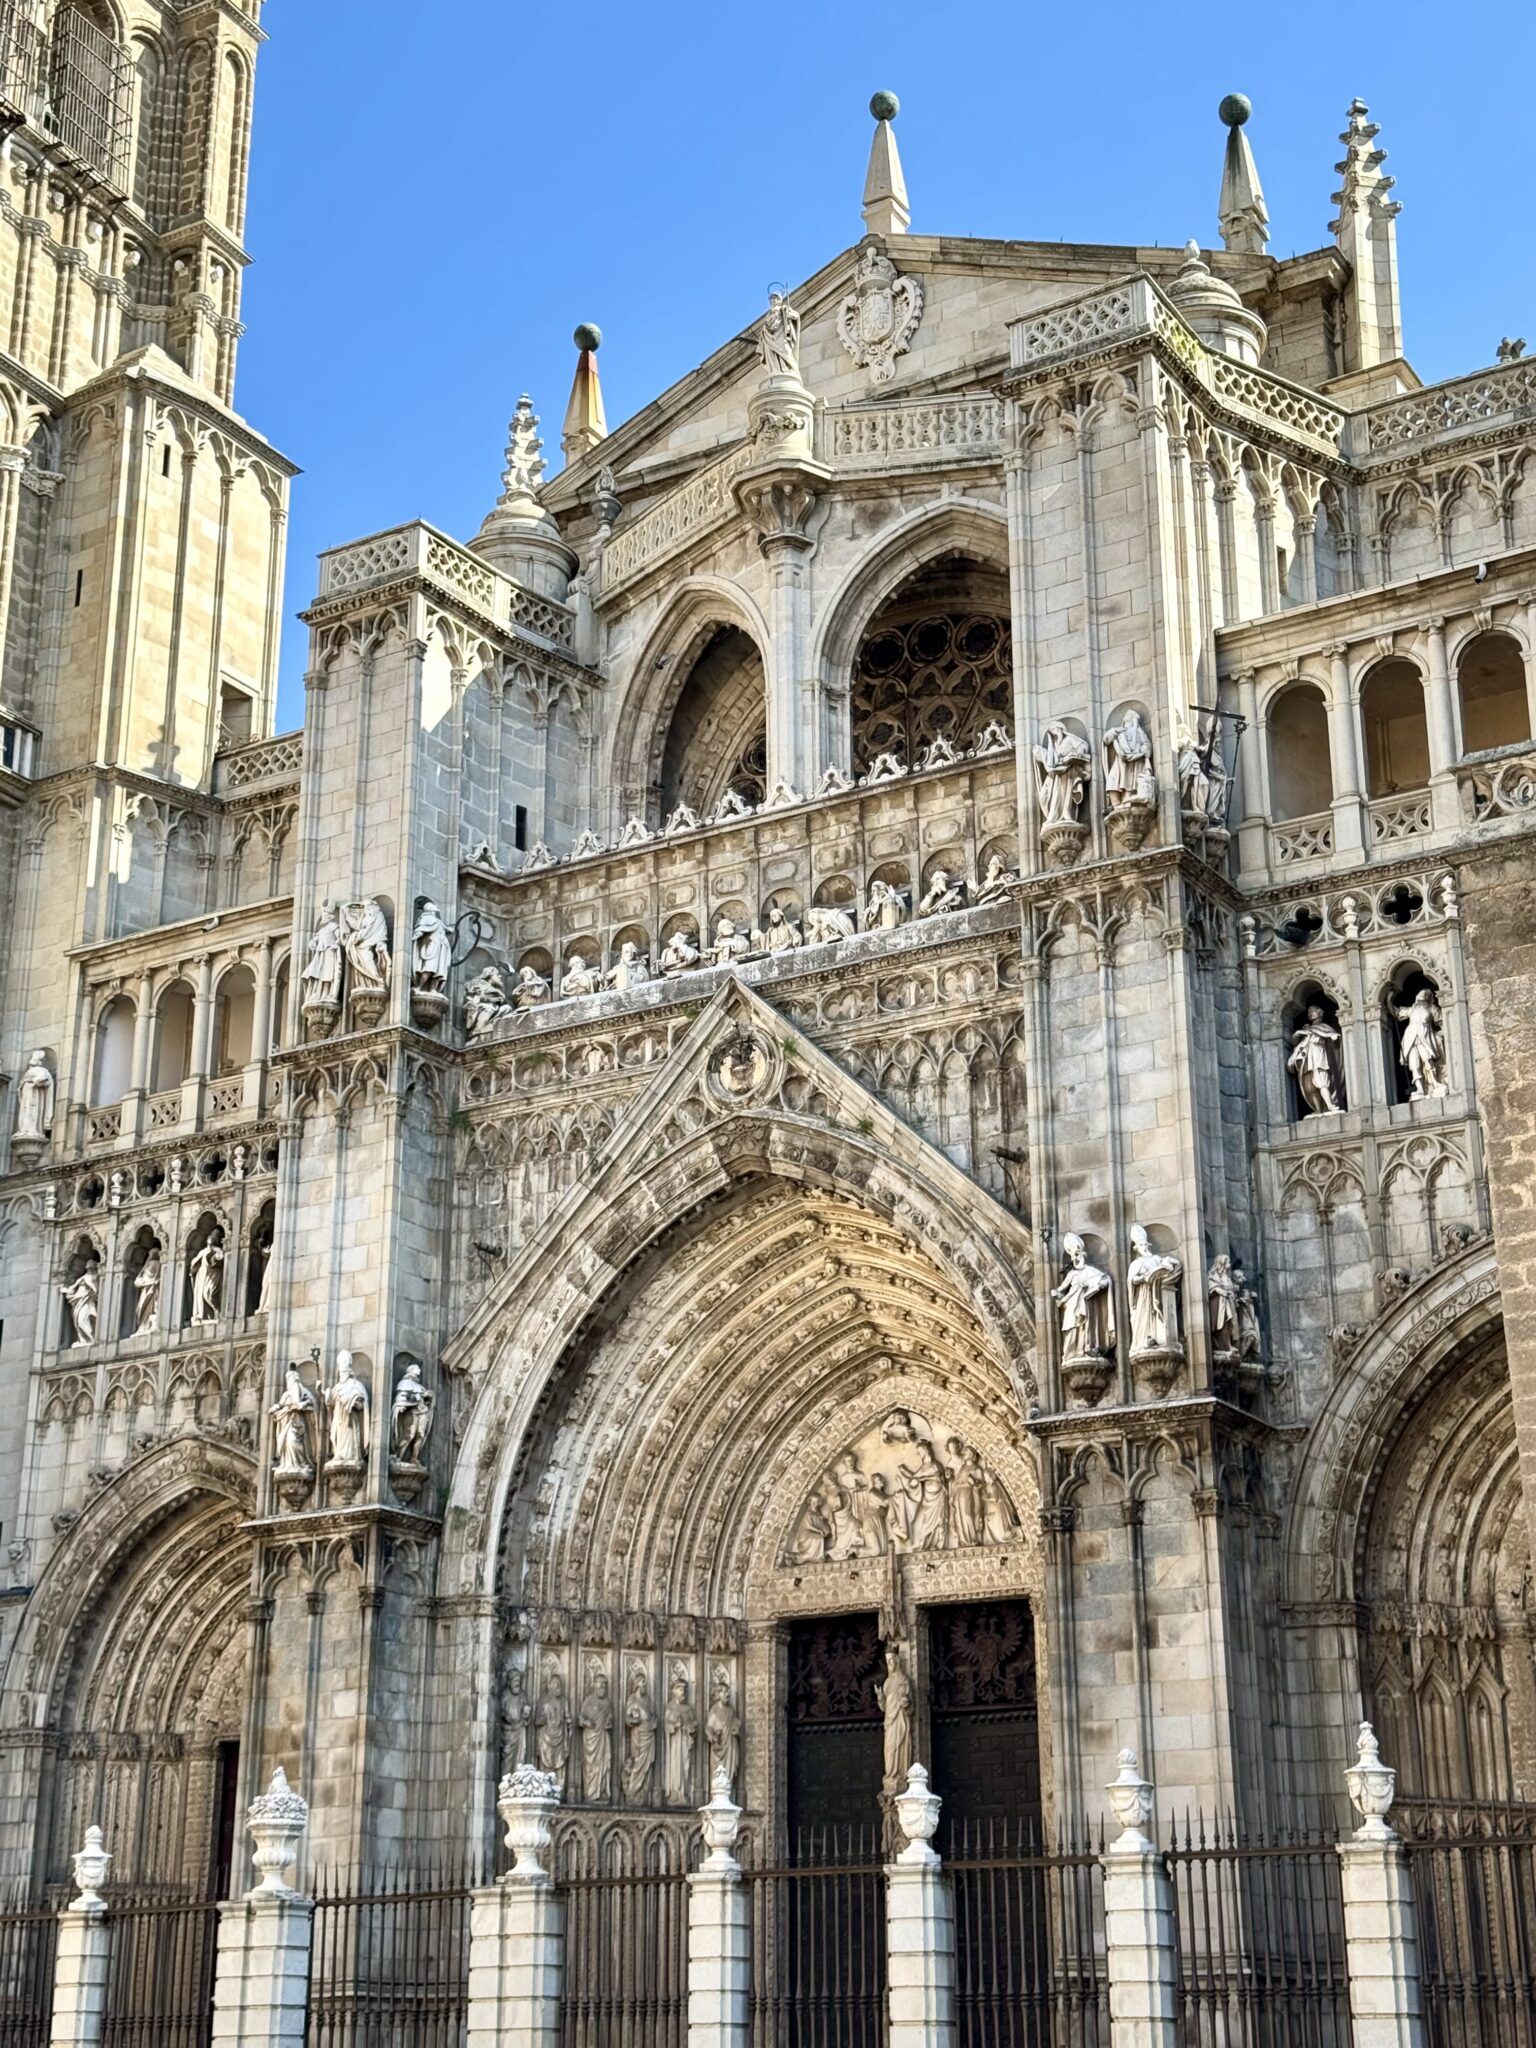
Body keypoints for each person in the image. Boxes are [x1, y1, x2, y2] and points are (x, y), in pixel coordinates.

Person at [1392, 986, 1448, 1099]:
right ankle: (1420, 1089)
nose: (1422, 996)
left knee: (1428, 1059)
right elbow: (1397, 1013)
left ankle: (1435, 1084)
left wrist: (1441, 1033)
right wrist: (1389, 1001)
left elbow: (1442, 1022)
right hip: (1411, 1038)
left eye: (1425, 994)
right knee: (1414, 1064)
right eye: (1421, 994)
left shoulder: (1432, 1008)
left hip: (1425, 1036)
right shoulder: (1412, 1009)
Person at [1288, 1005, 1345, 1114]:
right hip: (1307, 1059)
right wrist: (1298, 1033)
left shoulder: (1324, 1027)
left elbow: (1335, 1037)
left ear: (1320, 1013)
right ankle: (1318, 1110)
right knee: (1310, 1087)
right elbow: (1294, 1042)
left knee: (1322, 1082)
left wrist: (1328, 1035)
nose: (1310, 1014)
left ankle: (1330, 1106)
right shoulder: (1306, 1029)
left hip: (1319, 1057)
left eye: (1313, 1011)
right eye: (1309, 1012)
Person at [410, 900, 452, 993]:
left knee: (440, 970)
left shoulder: (438, 921)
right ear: (430, 910)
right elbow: (420, 929)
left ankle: (433, 989)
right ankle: (419, 987)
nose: (434, 913)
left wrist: (450, 930)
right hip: (432, 946)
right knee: (429, 967)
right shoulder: (426, 918)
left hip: (441, 947)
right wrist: (417, 934)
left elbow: (446, 929)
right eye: (433, 911)